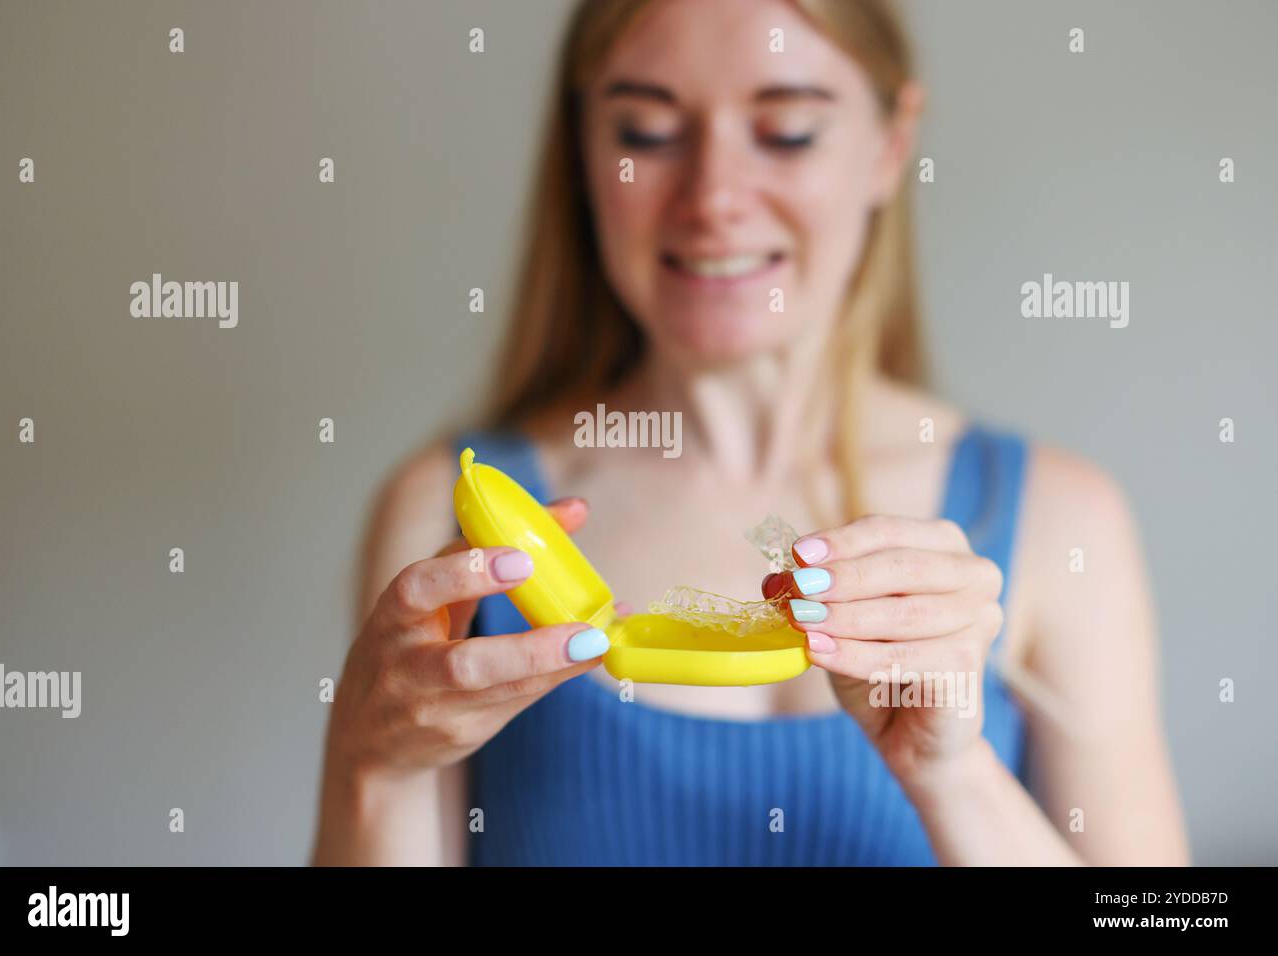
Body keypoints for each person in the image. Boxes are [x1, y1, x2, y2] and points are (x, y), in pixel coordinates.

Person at [311, 0, 1189, 866]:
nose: (714, 199)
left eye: (789, 132)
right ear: (581, 153)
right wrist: (373, 765)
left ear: (889, 146)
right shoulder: (445, 530)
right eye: (647, 134)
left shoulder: (1062, 522)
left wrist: (955, 775)